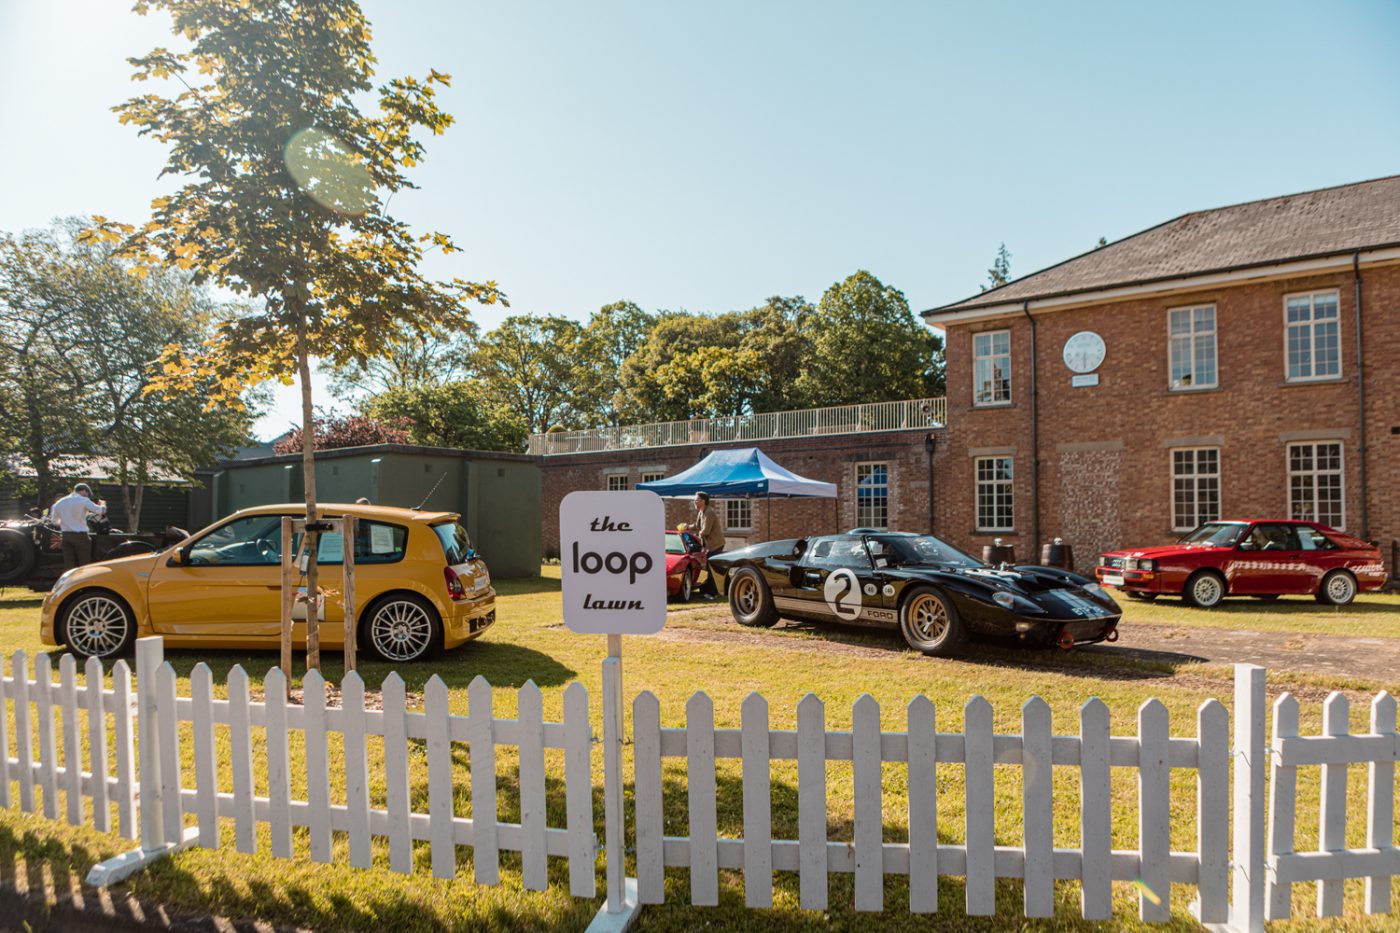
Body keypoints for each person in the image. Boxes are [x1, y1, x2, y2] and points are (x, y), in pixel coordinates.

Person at [51, 483, 107, 570]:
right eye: (87, 494)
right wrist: (103, 504)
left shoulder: (59, 503)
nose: (87, 496)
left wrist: (66, 523)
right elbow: (101, 511)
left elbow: (54, 522)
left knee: (69, 564)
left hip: (65, 536)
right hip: (80, 536)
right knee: (84, 563)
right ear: (84, 491)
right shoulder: (83, 500)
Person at [692, 491, 727, 597]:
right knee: (706, 567)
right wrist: (687, 527)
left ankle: (712, 593)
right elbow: (697, 526)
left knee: (711, 568)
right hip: (708, 545)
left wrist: (696, 535)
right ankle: (704, 591)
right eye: (694, 500)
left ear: (703, 501)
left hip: (715, 544)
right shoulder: (701, 512)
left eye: (696, 500)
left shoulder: (709, 513)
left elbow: (705, 531)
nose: (694, 502)